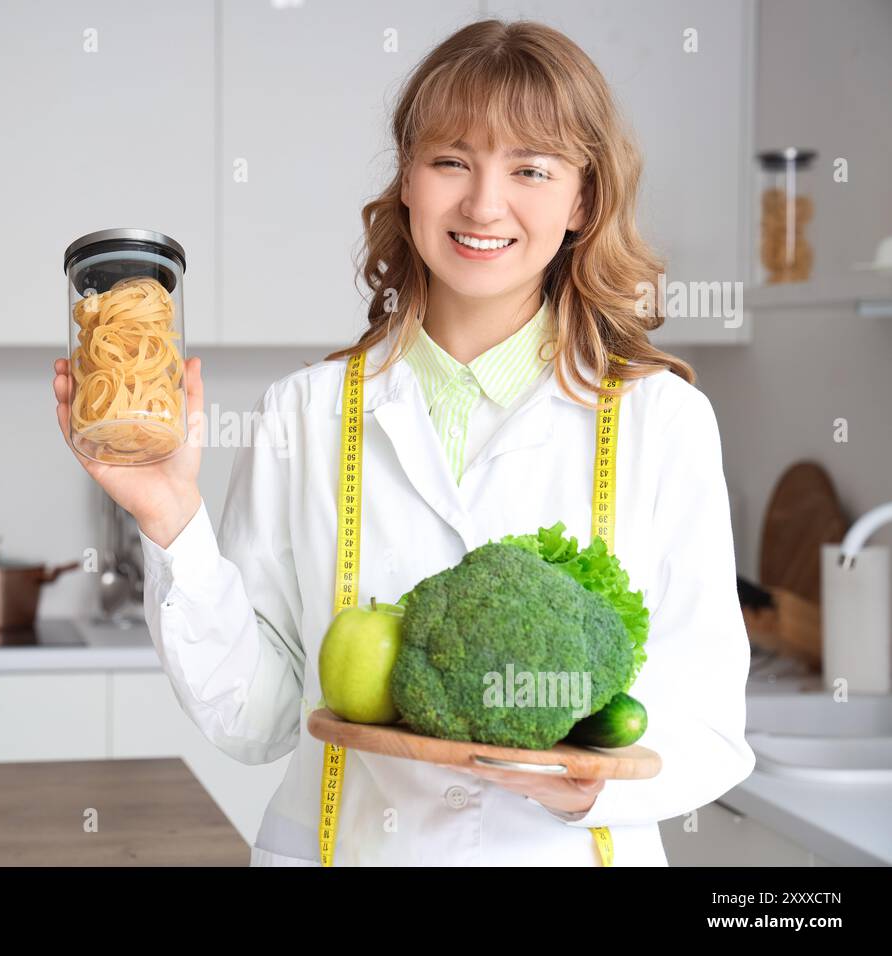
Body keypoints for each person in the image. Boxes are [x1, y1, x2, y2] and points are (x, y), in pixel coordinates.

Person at [52, 18, 755, 866]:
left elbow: (711, 719)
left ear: (582, 200)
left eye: (530, 168)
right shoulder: (302, 415)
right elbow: (258, 720)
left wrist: (595, 782)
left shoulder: (661, 424)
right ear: (410, 182)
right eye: (451, 160)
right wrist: (172, 520)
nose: (484, 204)